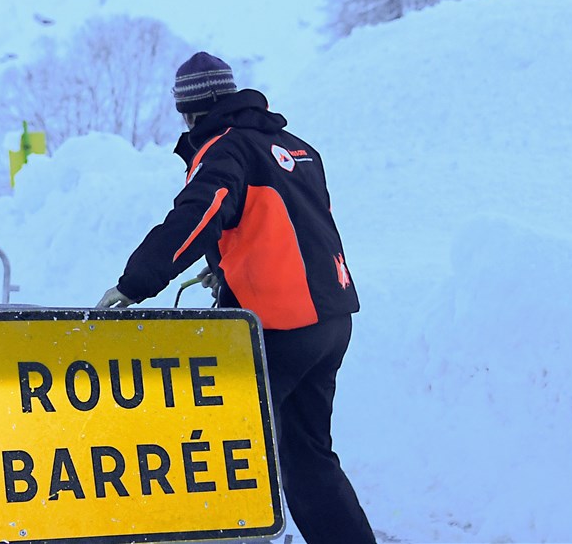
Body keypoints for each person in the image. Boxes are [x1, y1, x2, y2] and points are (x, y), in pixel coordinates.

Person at [96, 51, 377, 544]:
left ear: (190, 112)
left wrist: (134, 283)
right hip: (331, 320)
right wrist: (221, 267)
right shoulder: (294, 147)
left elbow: (199, 214)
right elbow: (287, 223)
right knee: (307, 455)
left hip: (279, 328)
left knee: (210, 446)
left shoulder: (225, 149)